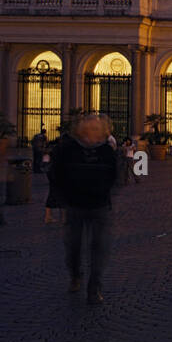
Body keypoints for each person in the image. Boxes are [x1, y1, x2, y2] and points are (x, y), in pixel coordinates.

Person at [51, 113, 119, 304]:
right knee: (73, 246)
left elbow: (115, 174)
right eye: (89, 129)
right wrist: (64, 197)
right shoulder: (68, 149)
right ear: (81, 131)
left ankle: (94, 287)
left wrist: (106, 192)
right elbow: (56, 173)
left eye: (97, 130)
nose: (93, 133)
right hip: (75, 205)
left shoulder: (106, 151)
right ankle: (75, 274)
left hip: (99, 206)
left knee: (99, 248)